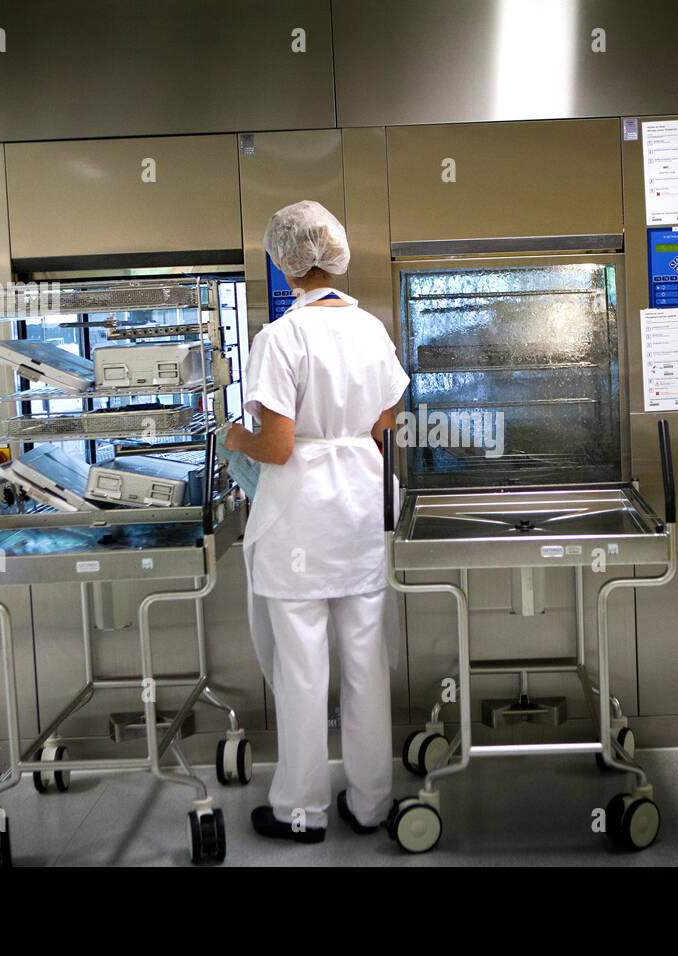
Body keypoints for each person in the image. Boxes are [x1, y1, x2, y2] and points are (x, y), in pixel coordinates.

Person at [223, 200, 409, 843]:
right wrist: (345, 432)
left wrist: (233, 438)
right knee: (365, 661)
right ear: (338, 255)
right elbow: (385, 420)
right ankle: (372, 803)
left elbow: (276, 447)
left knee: (303, 669)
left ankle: (301, 810)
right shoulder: (372, 331)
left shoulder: (280, 338)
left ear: (285, 265)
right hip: (361, 509)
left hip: (301, 517)